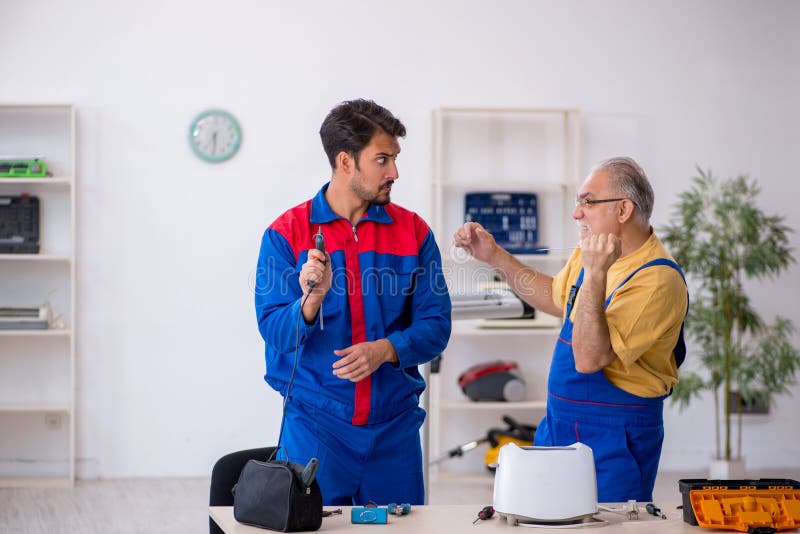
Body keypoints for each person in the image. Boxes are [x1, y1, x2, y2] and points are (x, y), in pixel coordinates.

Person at [453, 156, 687, 503]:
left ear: (623, 210)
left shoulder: (657, 279)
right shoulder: (593, 253)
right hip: (559, 423)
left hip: (614, 436)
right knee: (548, 516)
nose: (577, 213)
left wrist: (595, 274)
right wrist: (494, 256)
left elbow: (590, 358)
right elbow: (554, 297)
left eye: (588, 202)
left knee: (608, 525)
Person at [255, 99, 452, 506]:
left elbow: (437, 325)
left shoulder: (414, 232)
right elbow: (274, 330)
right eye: (382, 159)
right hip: (315, 429)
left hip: (394, 433)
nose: (394, 172)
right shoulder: (286, 233)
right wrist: (311, 300)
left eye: (395, 159)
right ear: (346, 162)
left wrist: (386, 350)